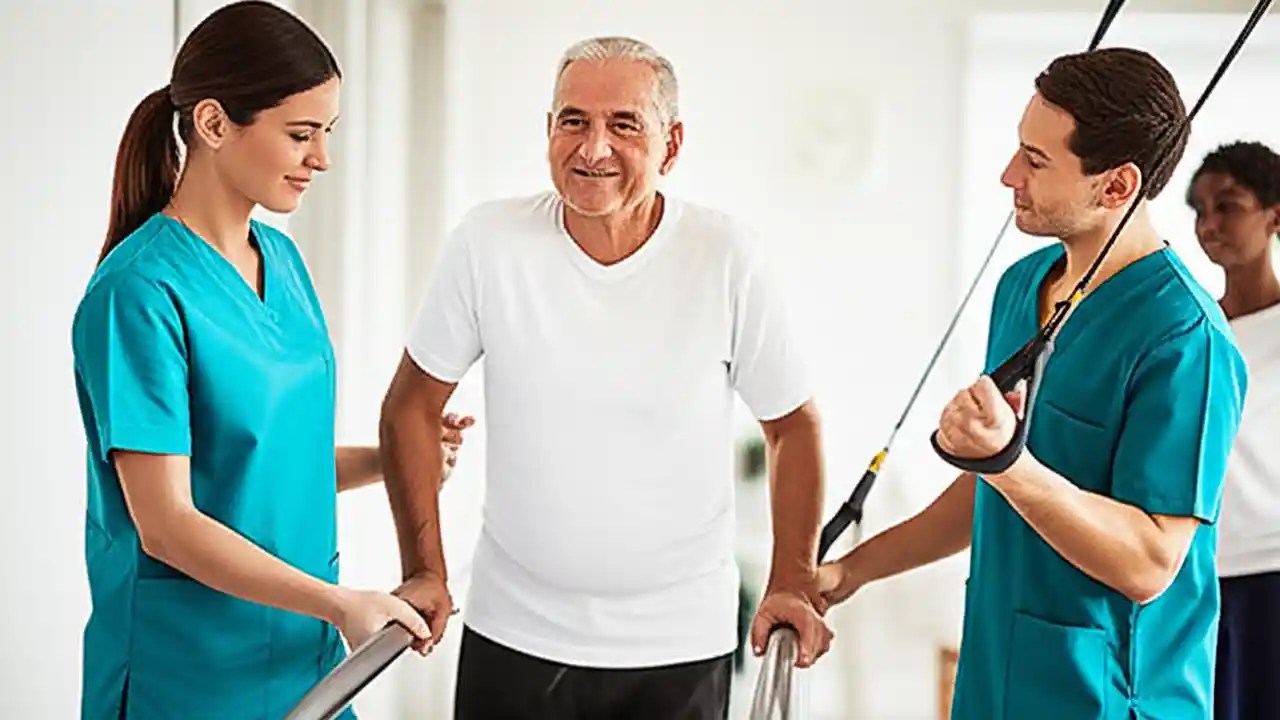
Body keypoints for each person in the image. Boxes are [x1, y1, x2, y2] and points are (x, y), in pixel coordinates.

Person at [379, 35, 832, 719]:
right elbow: (410, 407)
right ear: (549, 132)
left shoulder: (726, 256)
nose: (593, 148)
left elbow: (792, 425)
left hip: (678, 643)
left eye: (624, 125)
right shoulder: (488, 243)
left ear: (670, 145)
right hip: (513, 631)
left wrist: (791, 578)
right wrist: (425, 569)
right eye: (573, 121)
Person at [817, 47, 1247, 719]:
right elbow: (996, 487)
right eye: (1019, 149)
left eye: (1036, 162)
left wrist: (1008, 462)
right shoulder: (1024, 286)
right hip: (998, 678)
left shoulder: (1186, 338)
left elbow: (1149, 562)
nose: (1008, 175)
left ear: (1116, 186)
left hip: (1110, 695)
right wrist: (852, 570)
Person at [70, 3, 471, 718]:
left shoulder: (280, 261)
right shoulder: (137, 293)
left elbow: (268, 462)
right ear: (215, 124)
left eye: (328, 133)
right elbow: (165, 522)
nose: (322, 157)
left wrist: (393, 457)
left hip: (302, 659)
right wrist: (341, 603)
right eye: (300, 134)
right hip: (188, 672)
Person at [1186, 139, 1280, 720]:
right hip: (1197, 566)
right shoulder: (1193, 326)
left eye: (1229, 205)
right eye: (1199, 209)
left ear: (1274, 215)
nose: (1210, 222)